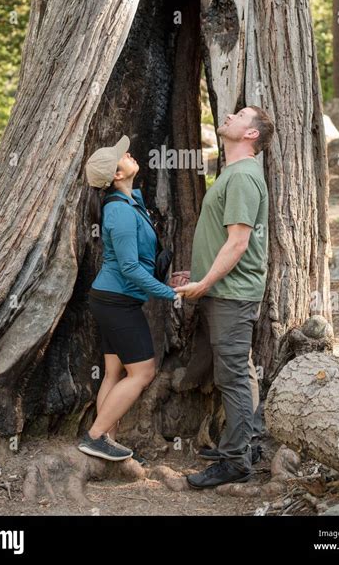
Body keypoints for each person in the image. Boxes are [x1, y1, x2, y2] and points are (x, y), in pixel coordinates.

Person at [175, 106, 274, 488]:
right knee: (240, 370)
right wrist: (198, 275)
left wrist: (204, 284)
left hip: (232, 294)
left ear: (251, 135)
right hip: (224, 289)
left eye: (241, 115)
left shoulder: (245, 176)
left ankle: (236, 463)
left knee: (231, 376)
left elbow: (238, 242)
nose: (230, 116)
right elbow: (225, 239)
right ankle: (244, 443)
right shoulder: (234, 173)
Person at [78, 135, 180, 462]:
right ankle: (95, 437)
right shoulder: (119, 212)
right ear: (117, 175)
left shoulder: (129, 202)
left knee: (113, 373)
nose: (129, 153)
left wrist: (168, 279)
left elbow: (143, 260)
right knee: (143, 373)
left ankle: (106, 439)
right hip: (116, 301)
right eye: (122, 155)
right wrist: (170, 294)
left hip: (111, 298)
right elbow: (130, 268)